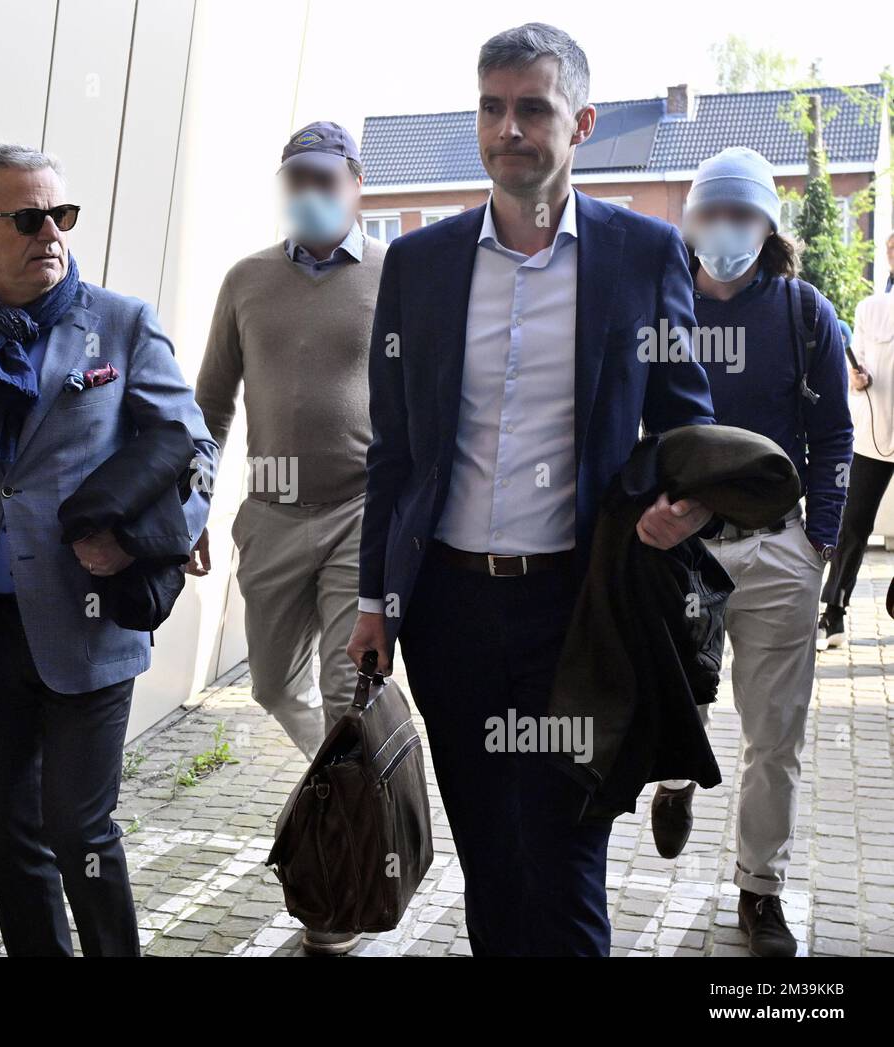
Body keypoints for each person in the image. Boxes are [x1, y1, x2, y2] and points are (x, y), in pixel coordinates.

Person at [346, 22, 717, 957]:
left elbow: (684, 422)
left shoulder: (641, 254)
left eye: (532, 109)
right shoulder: (420, 267)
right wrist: (372, 599)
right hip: (448, 610)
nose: (508, 128)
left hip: (577, 610)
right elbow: (393, 451)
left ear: (581, 123)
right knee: (490, 859)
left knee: (561, 860)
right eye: (491, 107)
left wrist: (691, 502)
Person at [0, 143, 217, 957]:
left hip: (87, 616)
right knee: (12, 833)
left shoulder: (119, 323)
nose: (52, 234)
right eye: (28, 218)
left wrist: (150, 541)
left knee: (80, 827)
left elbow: (193, 450)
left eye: (61, 216)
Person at [648, 147, 852, 958]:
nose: (725, 228)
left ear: (768, 225)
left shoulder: (806, 315)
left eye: (743, 213)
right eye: (711, 212)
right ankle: (673, 776)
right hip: (684, 553)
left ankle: (759, 890)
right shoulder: (662, 311)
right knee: (676, 700)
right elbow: (634, 429)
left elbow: (835, 432)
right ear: (691, 221)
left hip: (777, 552)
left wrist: (822, 535)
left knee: (775, 735)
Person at [194, 121, 389, 956]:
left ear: (356, 184)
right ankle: (371, 769)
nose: (309, 190)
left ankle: (340, 897)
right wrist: (188, 510)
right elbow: (208, 407)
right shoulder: (247, 280)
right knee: (274, 687)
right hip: (271, 516)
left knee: (350, 696)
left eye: (325, 176)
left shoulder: (397, 274)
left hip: (360, 512)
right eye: (295, 177)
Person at [819, 287, 894, 647]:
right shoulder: (872, 309)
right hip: (872, 436)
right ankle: (833, 615)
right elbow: (855, 368)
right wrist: (857, 378)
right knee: (853, 526)